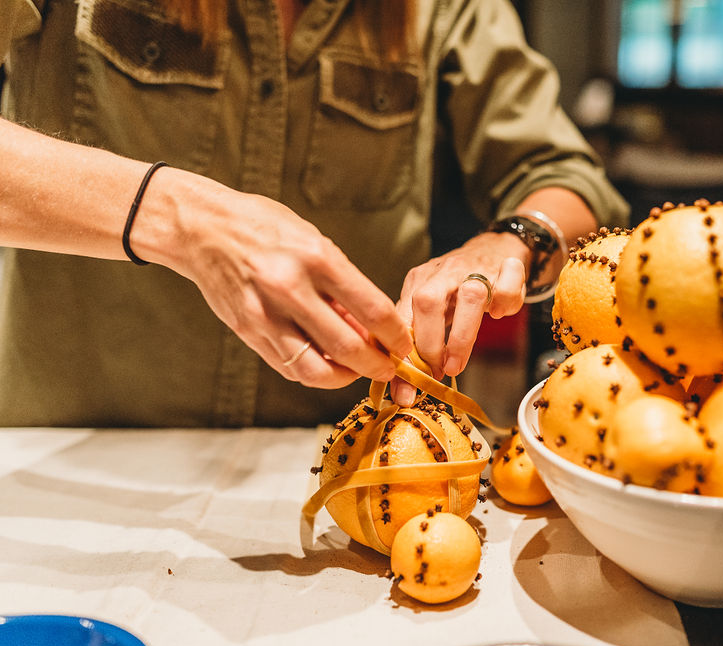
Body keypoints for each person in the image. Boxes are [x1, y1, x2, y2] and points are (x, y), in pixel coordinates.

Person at [0, 0, 629, 427]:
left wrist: (510, 240)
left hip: (334, 470)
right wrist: (180, 218)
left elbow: (567, 178)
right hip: (65, 456)